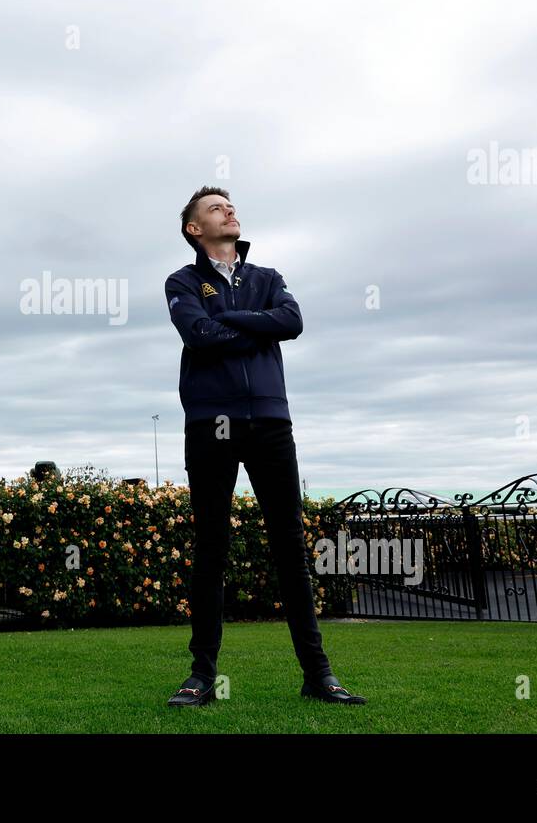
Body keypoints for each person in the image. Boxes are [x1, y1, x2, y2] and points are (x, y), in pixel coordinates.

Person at [163, 186, 366, 707]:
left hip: (272, 422)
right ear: (194, 228)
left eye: (229, 205)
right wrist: (258, 325)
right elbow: (199, 335)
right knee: (211, 550)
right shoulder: (182, 281)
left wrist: (230, 320)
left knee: (290, 550)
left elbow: (292, 322)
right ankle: (200, 676)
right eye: (215, 208)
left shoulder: (267, 278)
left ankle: (318, 676)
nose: (229, 211)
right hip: (211, 423)